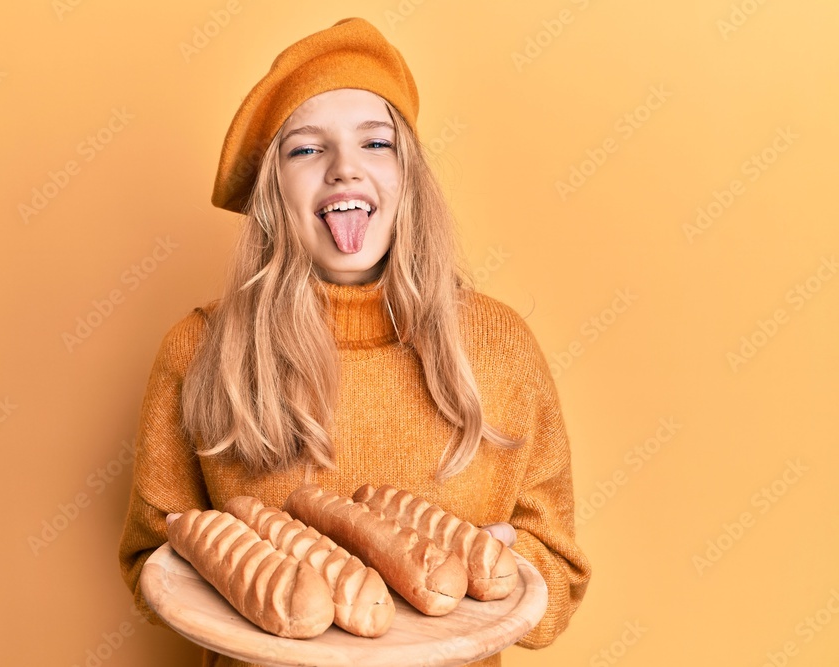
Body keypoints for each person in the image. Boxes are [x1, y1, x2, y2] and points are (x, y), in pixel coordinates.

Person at [118, 17, 591, 667]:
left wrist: (488, 570)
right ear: (273, 191)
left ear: (408, 177)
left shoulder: (500, 345)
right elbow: (153, 558)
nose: (345, 169)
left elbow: (560, 571)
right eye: (307, 150)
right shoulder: (198, 350)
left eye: (375, 143)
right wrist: (256, 580)